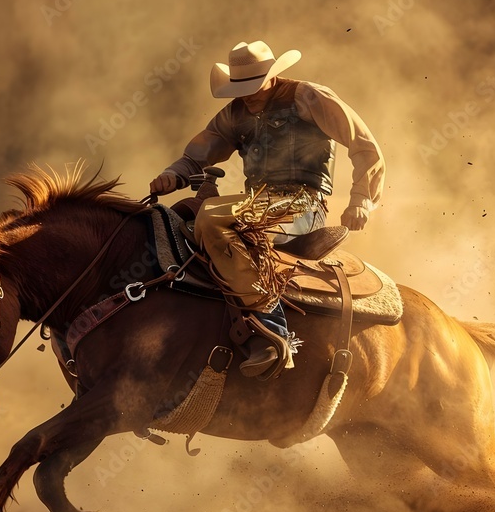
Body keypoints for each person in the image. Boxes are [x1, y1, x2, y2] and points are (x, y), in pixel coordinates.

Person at [150, 40, 385, 378]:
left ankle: (272, 328)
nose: (246, 94)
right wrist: (173, 175)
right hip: (258, 202)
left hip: (303, 203)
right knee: (180, 223)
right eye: (239, 88)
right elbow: (197, 154)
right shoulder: (234, 114)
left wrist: (362, 199)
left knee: (214, 220)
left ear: (271, 77)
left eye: (251, 86)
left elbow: (365, 145)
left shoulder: (308, 97)